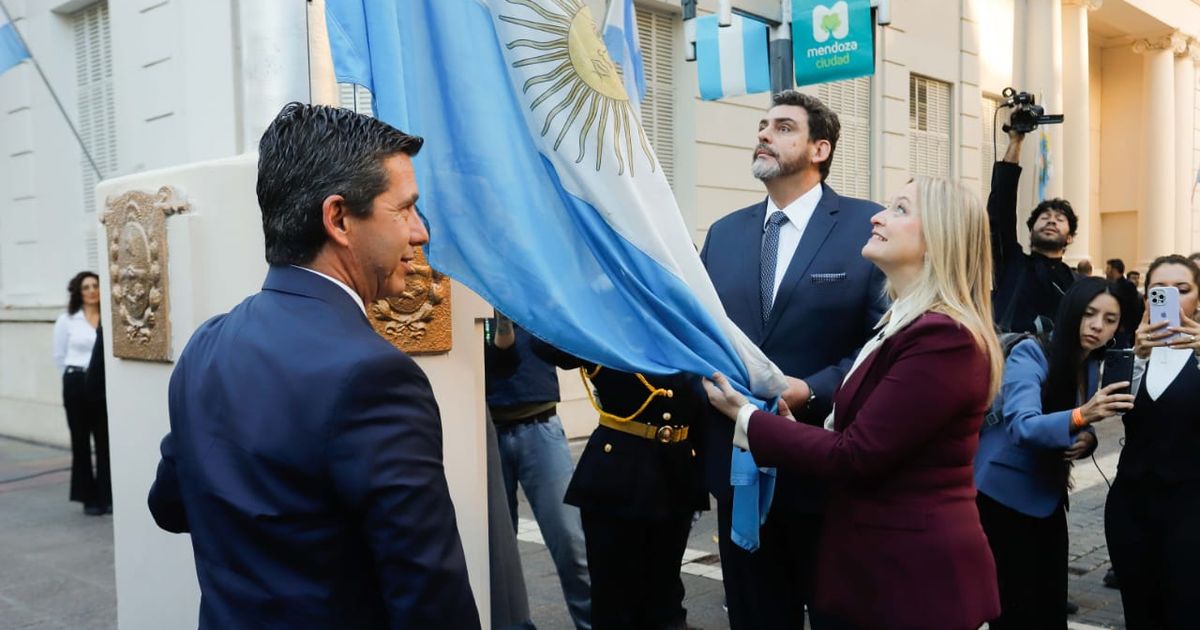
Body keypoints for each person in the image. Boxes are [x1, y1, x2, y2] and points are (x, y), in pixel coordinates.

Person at [146, 103, 478, 629]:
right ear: (339, 219)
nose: (420, 233)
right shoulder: (376, 376)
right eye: (405, 209)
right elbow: (428, 592)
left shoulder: (206, 345)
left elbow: (169, 507)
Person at [705, 176, 1003, 629]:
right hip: (879, 572)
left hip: (915, 583)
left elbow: (856, 456)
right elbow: (865, 435)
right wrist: (789, 421)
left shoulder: (944, 337)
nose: (878, 217)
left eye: (900, 209)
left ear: (939, 238)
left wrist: (743, 416)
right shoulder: (902, 323)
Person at [699, 89, 886, 629]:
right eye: (762, 125)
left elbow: (884, 343)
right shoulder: (725, 233)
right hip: (739, 469)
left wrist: (813, 389)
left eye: (782, 127)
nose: (763, 134)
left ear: (819, 149)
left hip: (826, 468)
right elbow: (704, 337)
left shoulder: (863, 226)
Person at [974, 278, 1134, 628]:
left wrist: (1087, 438)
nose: (1097, 326)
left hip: (1047, 498)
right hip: (1002, 497)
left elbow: (1076, 420)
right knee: (1016, 611)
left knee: (1050, 604)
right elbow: (1024, 425)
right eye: (1089, 314)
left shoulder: (1090, 364)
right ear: (1071, 311)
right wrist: (1084, 415)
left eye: (1109, 320)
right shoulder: (1032, 352)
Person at [538, 341, 707, 630]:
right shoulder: (606, 319)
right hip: (618, 476)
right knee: (615, 603)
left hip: (675, 471)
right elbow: (548, 345)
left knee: (666, 601)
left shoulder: (682, 320)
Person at [1105, 254, 1200, 629]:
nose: (1172, 299)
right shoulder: (1132, 351)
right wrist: (1134, 354)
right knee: (1140, 615)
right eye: (1160, 291)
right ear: (1147, 299)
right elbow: (1108, 407)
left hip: (1191, 509)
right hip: (1132, 507)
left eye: (1183, 290)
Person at [485, 315, 592, 630]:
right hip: (484, 428)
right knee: (496, 553)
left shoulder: (528, 277)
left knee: (571, 541)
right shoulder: (466, 279)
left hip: (539, 421)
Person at [988, 130, 1077, 333]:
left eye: (1059, 219)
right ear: (1030, 231)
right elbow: (1000, 210)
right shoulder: (1013, 263)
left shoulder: (1078, 284)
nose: (1051, 221)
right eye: (1044, 218)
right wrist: (1016, 142)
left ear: (1070, 238)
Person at [51, 271, 111, 515]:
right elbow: (58, 355)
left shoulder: (108, 318)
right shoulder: (67, 320)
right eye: (86, 287)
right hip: (75, 382)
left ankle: (107, 496)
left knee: (105, 441)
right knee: (81, 441)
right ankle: (89, 498)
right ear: (79, 291)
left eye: (95, 285)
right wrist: (70, 380)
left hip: (100, 384)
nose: (91, 290)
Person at [1106, 259, 1144, 343]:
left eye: (1108, 268)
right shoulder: (1108, 285)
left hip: (1123, 329)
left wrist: (1124, 325)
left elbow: (1132, 308)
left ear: (1114, 270)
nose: (1106, 271)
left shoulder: (1127, 286)